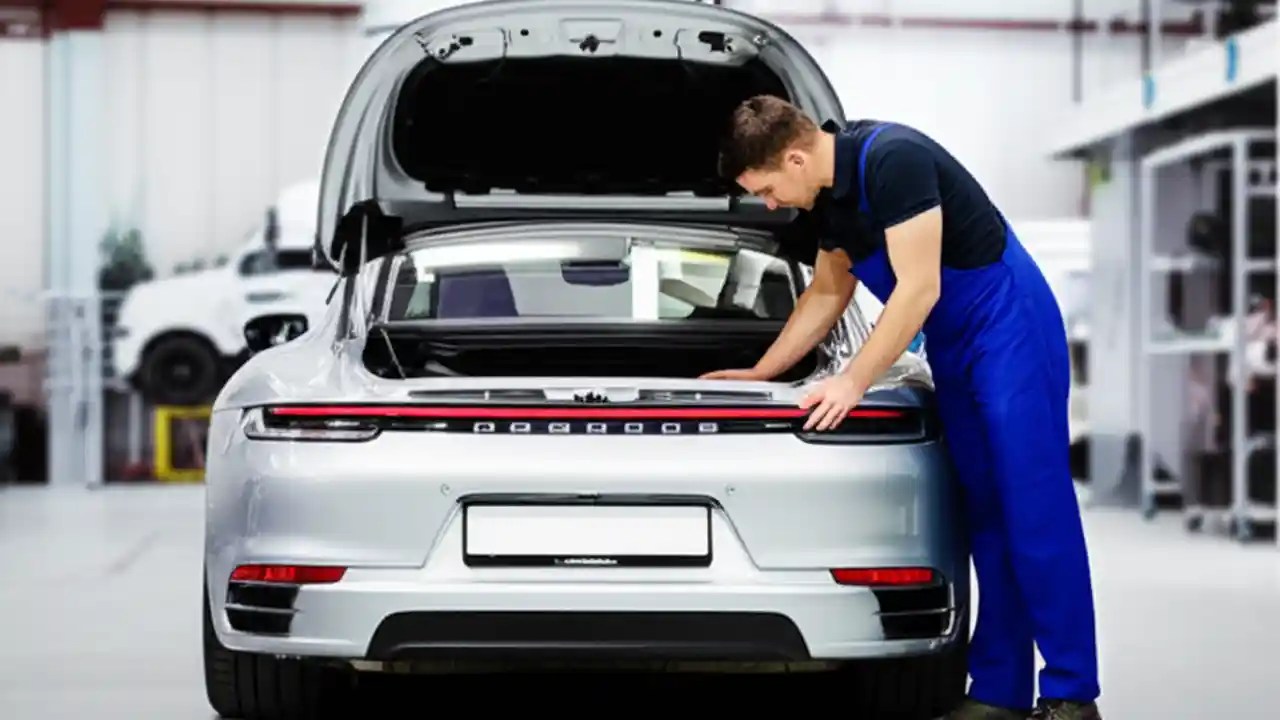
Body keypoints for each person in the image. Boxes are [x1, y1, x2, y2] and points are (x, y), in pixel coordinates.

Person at [701, 95, 1102, 720]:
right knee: (986, 518)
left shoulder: (894, 158)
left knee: (1035, 509)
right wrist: (760, 372)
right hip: (954, 340)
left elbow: (919, 287)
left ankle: (1073, 694)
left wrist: (853, 381)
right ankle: (999, 693)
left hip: (1008, 325)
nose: (771, 204)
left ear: (798, 157)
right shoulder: (827, 201)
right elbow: (827, 294)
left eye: (770, 188)